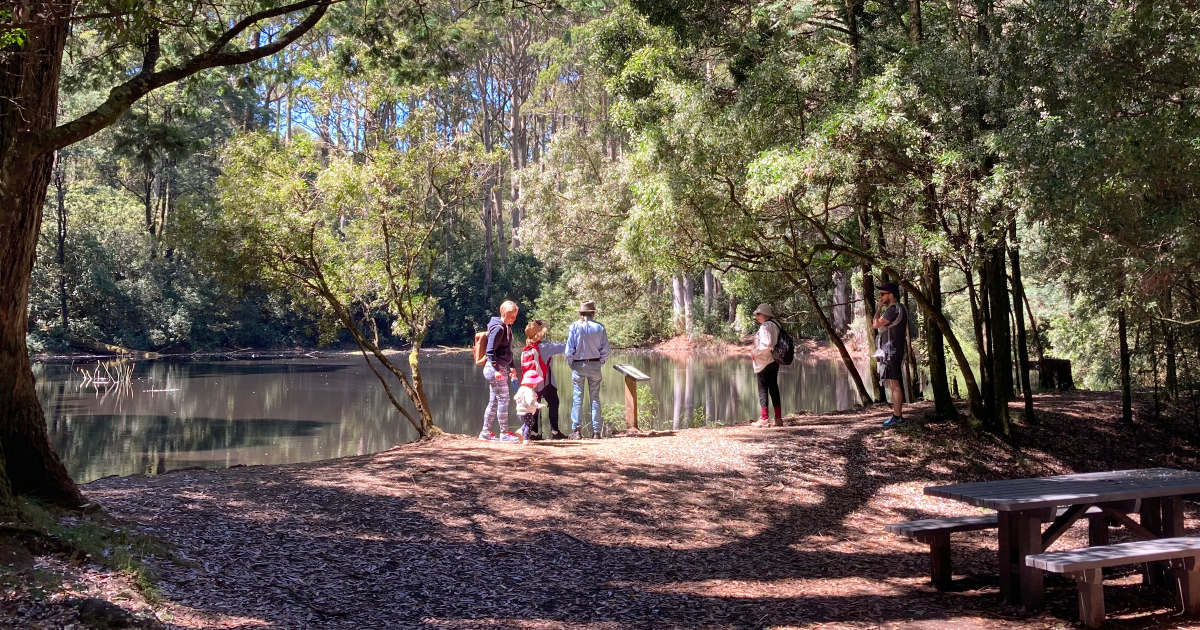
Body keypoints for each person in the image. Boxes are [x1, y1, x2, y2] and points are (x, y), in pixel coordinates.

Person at [565, 300, 610, 440]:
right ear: (593, 313)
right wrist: (600, 362)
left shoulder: (574, 327)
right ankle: (596, 432)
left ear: (581, 313)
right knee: (595, 398)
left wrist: (572, 364)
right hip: (595, 365)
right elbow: (606, 350)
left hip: (578, 365)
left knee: (577, 397)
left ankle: (576, 431)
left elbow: (568, 351)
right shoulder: (600, 327)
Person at [521, 320, 568, 440]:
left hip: (531, 383)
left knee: (533, 405)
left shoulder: (527, 347)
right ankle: (555, 431)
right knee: (554, 403)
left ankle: (533, 432)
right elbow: (564, 347)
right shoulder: (545, 346)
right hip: (545, 381)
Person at [481, 300, 520, 442]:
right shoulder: (498, 328)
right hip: (494, 369)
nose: (514, 319)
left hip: (500, 368)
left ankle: (485, 432)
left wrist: (513, 368)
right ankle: (504, 433)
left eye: (515, 316)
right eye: (511, 316)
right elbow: (490, 351)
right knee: (504, 399)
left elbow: (507, 351)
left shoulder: (507, 327)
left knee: (495, 401)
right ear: (504, 314)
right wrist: (497, 369)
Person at [873, 282, 909, 427]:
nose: (881, 297)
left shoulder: (892, 310)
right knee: (893, 383)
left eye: (883, 294)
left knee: (894, 384)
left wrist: (879, 307)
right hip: (896, 349)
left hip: (890, 351)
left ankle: (898, 417)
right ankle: (897, 415)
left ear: (891, 295)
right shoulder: (902, 309)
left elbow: (875, 324)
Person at [750, 303, 782, 427]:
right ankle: (778, 418)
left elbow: (766, 344)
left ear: (766, 315)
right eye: (756, 314)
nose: (757, 316)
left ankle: (764, 419)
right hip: (775, 360)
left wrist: (754, 352)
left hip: (764, 361)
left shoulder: (765, 326)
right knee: (774, 388)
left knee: (763, 389)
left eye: (759, 313)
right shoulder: (776, 324)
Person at [513, 371, 546, 444]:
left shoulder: (522, 389)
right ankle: (526, 440)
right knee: (529, 425)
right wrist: (538, 405)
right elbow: (530, 401)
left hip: (520, 412)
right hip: (526, 411)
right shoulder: (529, 391)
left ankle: (521, 431)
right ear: (532, 383)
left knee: (530, 422)